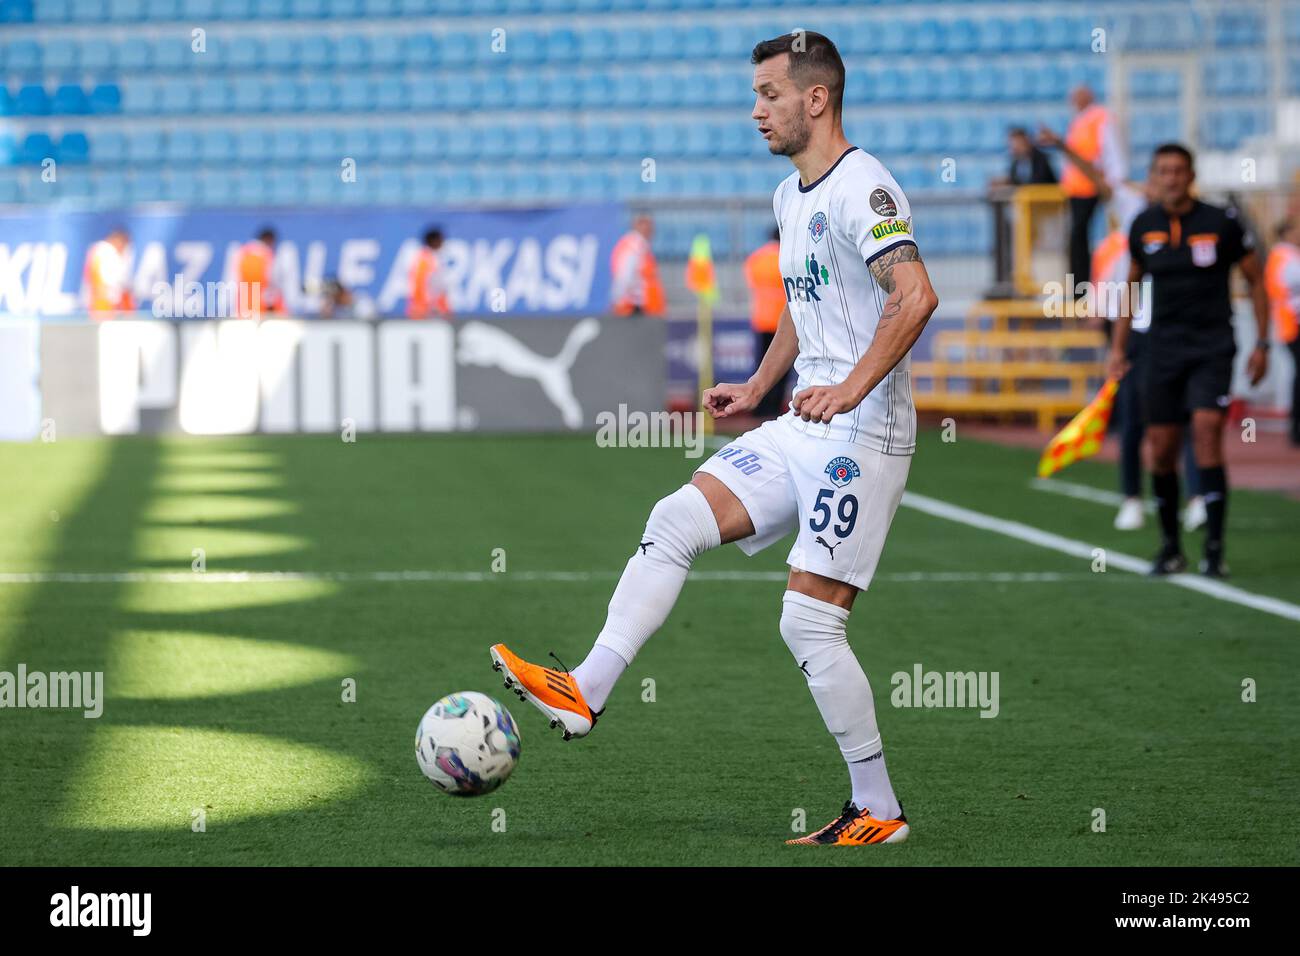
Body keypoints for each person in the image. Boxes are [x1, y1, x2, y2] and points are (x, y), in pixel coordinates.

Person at [490, 31, 938, 846]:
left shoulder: (864, 189)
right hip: (803, 420)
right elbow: (804, 315)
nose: (756, 109)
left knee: (808, 625)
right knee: (675, 518)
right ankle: (584, 690)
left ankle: (879, 808)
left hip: (862, 433)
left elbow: (914, 297)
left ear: (816, 98)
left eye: (770, 93)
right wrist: (760, 388)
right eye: (756, 94)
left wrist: (851, 388)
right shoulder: (788, 196)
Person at [1108, 144, 1269, 578]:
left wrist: (1263, 344)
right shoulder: (1144, 225)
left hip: (1212, 346)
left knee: (1206, 431)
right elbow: (1131, 287)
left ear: (1190, 175)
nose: (1172, 178)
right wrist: (1119, 349)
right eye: (1164, 171)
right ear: (1155, 176)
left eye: (1179, 171)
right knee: (1160, 450)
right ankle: (1171, 546)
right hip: (1160, 349)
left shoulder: (1221, 223)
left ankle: (1214, 549)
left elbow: (1257, 281)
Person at [1042, 86, 1126, 299]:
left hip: (1092, 187)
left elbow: (1110, 150)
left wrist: (1112, 181)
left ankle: (1086, 291)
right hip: (1079, 188)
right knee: (1078, 239)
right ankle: (1080, 289)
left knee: (1087, 238)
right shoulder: (1080, 120)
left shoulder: (1099, 117)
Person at [744, 226, 789, 417]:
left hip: (761, 317)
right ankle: (773, 408)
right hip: (783, 321)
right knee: (781, 367)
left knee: (762, 365)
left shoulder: (756, 257)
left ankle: (758, 406)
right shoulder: (785, 255)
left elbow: (750, 280)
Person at [1264, 217, 1300, 445]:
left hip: (1289, 324)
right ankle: (1296, 426)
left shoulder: (1284, 256)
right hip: (1294, 324)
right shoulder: (1286, 256)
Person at [609, 214, 666, 316]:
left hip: (644, 307)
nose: (649, 229)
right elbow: (624, 276)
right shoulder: (634, 246)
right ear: (636, 225)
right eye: (644, 224)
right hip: (634, 307)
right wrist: (618, 300)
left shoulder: (640, 245)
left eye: (650, 225)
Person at [82, 226, 133, 319]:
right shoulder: (104, 251)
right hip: (102, 307)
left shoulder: (120, 255)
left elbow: (123, 287)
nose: (123, 247)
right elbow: (100, 285)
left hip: (112, 307)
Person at [236, 227, 281, 318]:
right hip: (261, 309)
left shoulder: (243, 252)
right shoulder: (267, 254)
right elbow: (271, 280)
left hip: (243, 306)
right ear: (269, 240)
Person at [407, 227, 452, 319]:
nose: (443, 243)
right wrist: (425, 309)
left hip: (434, 311)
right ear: (434, 241)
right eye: (441, 240)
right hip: (425, 312)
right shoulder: (424, 261)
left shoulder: (435, 259)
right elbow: (419, 286)